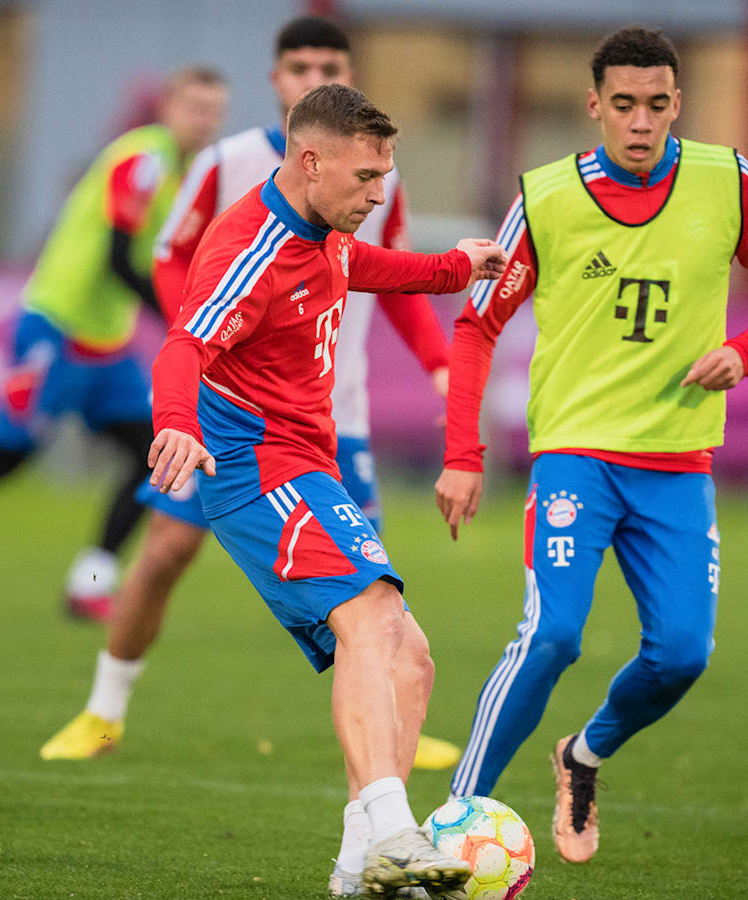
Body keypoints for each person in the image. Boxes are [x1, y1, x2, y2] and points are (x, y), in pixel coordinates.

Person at [40, 14, 461, 788]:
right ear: (278, 81)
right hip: (233, 420)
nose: (313, 75)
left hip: (332, 416)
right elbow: (177, 272)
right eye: (299, 65)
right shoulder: (229, 167)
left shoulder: (366, 176)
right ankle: (105, 708)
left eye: (328, 63)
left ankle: (385, 766)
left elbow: (375, 266)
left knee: (384, 625)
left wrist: (444, 335)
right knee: (171, 554)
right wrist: (200, 364)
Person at [434, 27, 748, 865]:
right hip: (577, 455)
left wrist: (744, 352)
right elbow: (476, 325)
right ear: (595, 106)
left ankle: (583, 754)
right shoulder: (546, 198)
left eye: (659, 105)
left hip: (678, 462)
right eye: (625, 105)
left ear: (679, 105)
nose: (642, 122)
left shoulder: (729, 181)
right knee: (554, 634)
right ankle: (456, 817)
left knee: (682, 655)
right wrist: (464, 453)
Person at [148, 84, 505, 899]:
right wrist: (175, 420)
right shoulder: (253, 248)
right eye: (367, 177)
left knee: (411, 657)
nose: (379, 193)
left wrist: (458, 265)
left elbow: (366, 265)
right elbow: (184, 343)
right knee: (372, 616)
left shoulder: (323, 226)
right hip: (253, 467)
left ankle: (356, 870)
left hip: (308, 463)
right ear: (310, 162)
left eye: (385, 174)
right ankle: (394, 833)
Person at [0, 67, 228, 623]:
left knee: (157, 455)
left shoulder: (178, 173)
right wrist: (183, 321)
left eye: (212, 110)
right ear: (168, 108)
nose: (203, 120)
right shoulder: (145, 159)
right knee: (4, 458)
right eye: (193, 106)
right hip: (54, 330)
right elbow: (117, 257)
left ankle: (90, 582)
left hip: (105, 344)